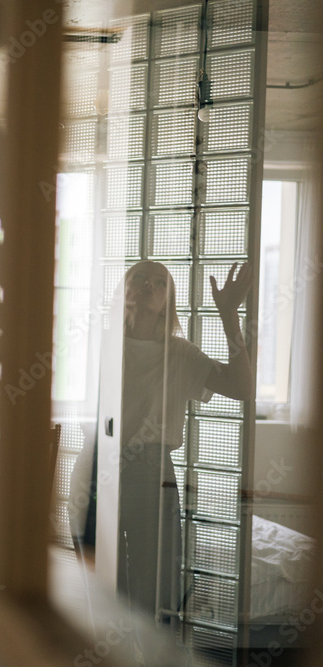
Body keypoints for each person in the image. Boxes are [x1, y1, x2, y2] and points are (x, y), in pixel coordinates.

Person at [70, 259, 253, 637]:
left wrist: (229, 315)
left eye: (160, 282)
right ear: (125, 289)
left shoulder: (181, 354)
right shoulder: (100, 345)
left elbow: (241, 389)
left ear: (168, 300)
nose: (149, 285)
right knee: (97, 594)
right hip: (94, 468)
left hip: (151, 474)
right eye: (140, 277)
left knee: (155, 597)